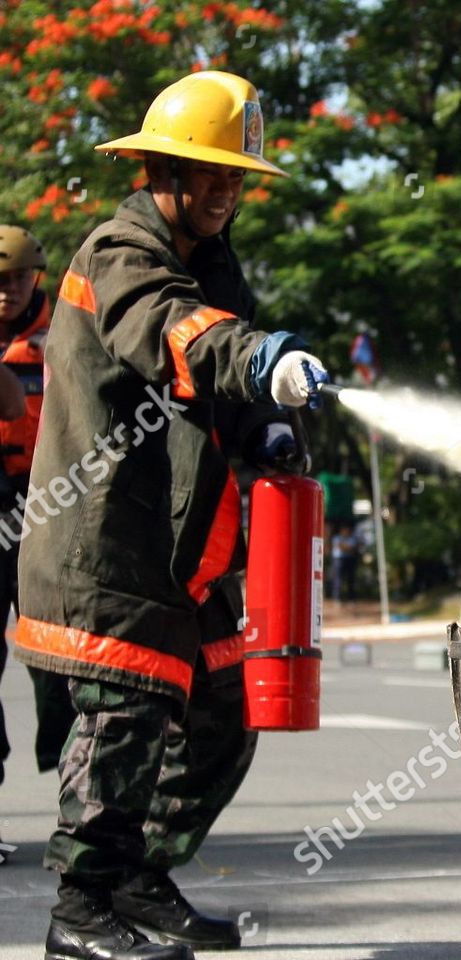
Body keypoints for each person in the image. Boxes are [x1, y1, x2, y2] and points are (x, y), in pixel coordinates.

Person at [13, 71, 329, 960]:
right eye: (212, 174)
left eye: (238, 177)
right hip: (106, 540)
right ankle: (79, 910)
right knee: (123, 720)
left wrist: (268, 423)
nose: (228, 191)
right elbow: (173, 333)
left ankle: (142, 879)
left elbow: (222, 387)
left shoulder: (212, 262)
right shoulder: (121, 251)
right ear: (162, 170)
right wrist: (258, 354)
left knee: (226, 707)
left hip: (184, 546)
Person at [0, 225, 42, 863]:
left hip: (50, 516)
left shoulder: (69, 338)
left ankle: (100, 827)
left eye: (15, 278)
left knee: (72, 675)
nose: (5, 292)